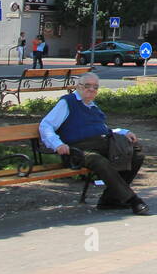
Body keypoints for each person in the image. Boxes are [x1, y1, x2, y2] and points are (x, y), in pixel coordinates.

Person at [39, 74, 148, 214]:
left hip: (100, 144)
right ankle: (133, 200)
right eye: (87, 86)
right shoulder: (68, 102)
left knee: (136, 152)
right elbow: (46, 125)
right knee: (99, 161)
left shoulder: (93, 106)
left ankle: (110, 200)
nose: (92, 90)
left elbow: (104, 129)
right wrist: (57, 144)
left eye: (95, 87)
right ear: (78, 87)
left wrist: (123, 132)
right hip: (77, 150)